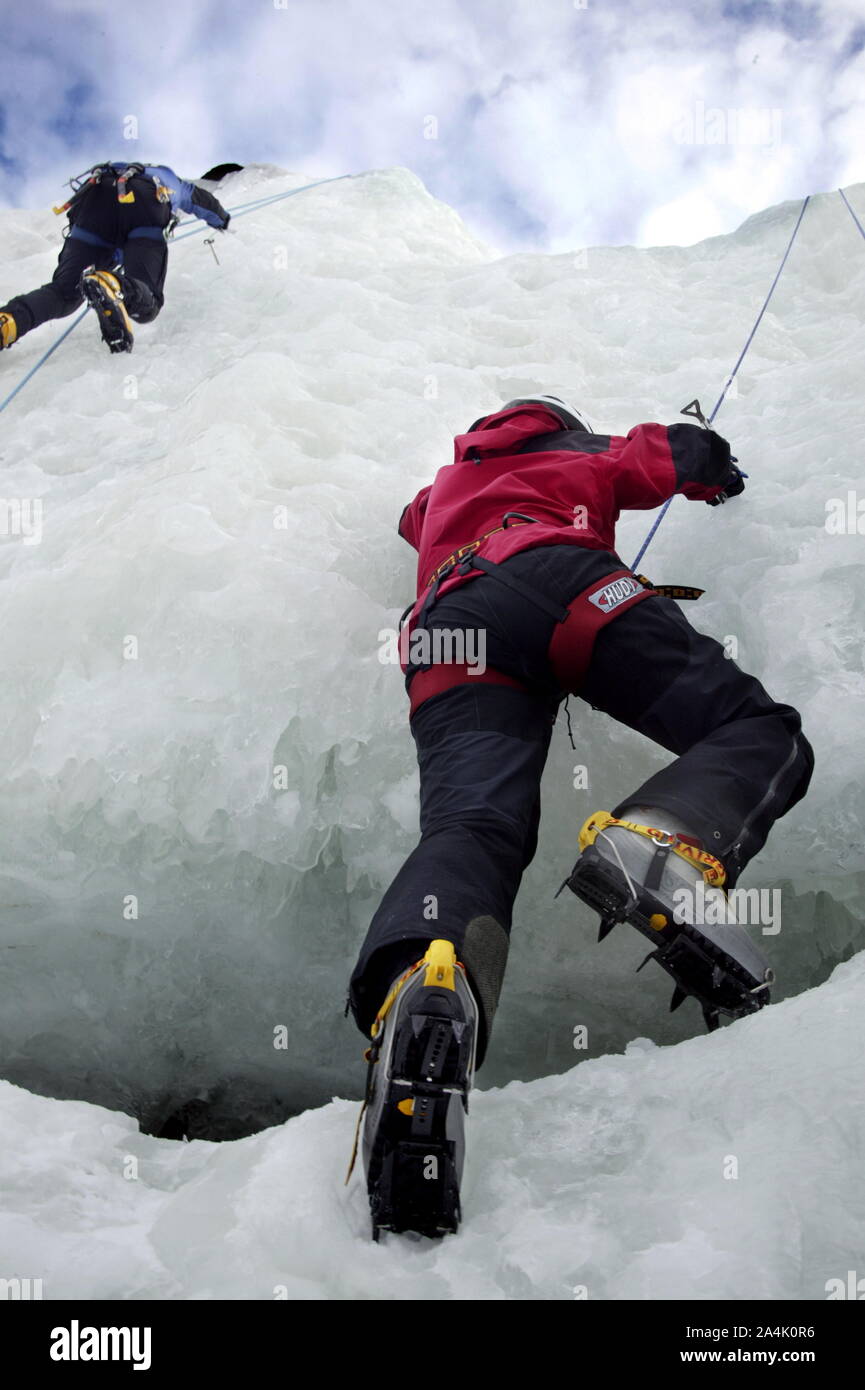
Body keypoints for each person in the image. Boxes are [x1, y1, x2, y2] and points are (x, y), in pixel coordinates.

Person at [346, 395, 814, 1241]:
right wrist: (712, 468)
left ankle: (425, 979)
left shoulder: (446, 487)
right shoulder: (580, 450)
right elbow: (668, 454)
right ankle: (660, 845)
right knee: (756, 730)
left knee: (470, 830)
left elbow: (410, 521)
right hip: (560, 581)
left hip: (448, 629)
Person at [0, 162, 230, 355]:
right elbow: (203, 202)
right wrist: (223, 221)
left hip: (92, 207)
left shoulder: (113, 171)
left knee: (63, 293)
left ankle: (8, 321)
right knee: (147, 302)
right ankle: (114, 284)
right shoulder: (171, 180)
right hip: (143, 205)